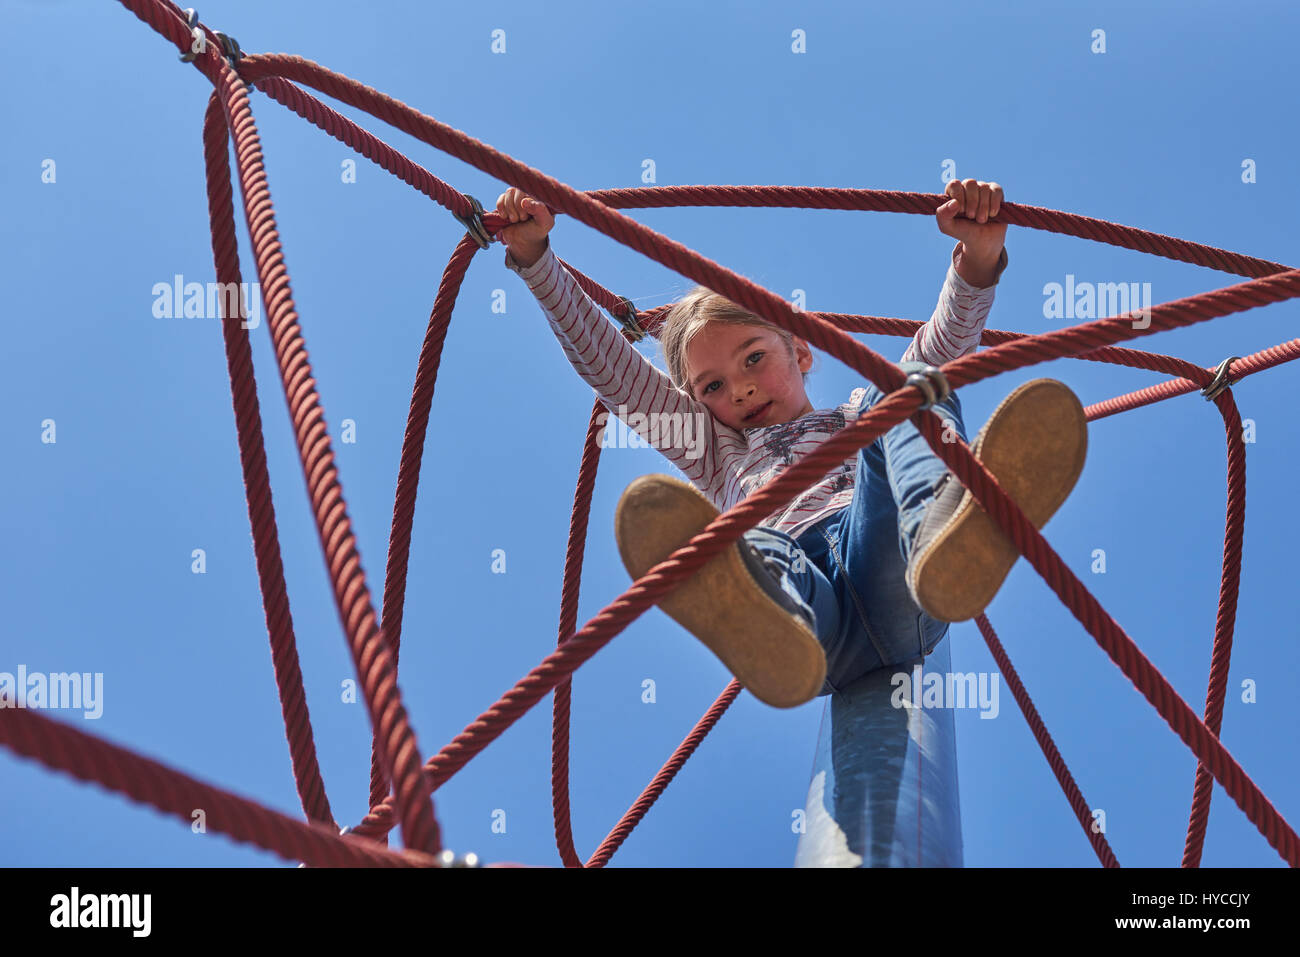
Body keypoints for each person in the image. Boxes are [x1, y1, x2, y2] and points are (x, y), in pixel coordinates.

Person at [497, 180, 1088, 708]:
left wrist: (977, 262)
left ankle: (944, 539)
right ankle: (766, 619)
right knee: (748, 536)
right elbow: (617, 376)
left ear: (800, 354)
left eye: (753, 357)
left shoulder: (858, 414)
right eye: (712, 386)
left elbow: (943, 349)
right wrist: (539, 265)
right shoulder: (713, 450)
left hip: (897, 571)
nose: (742, 386)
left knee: (912, 391)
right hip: (813, 616)